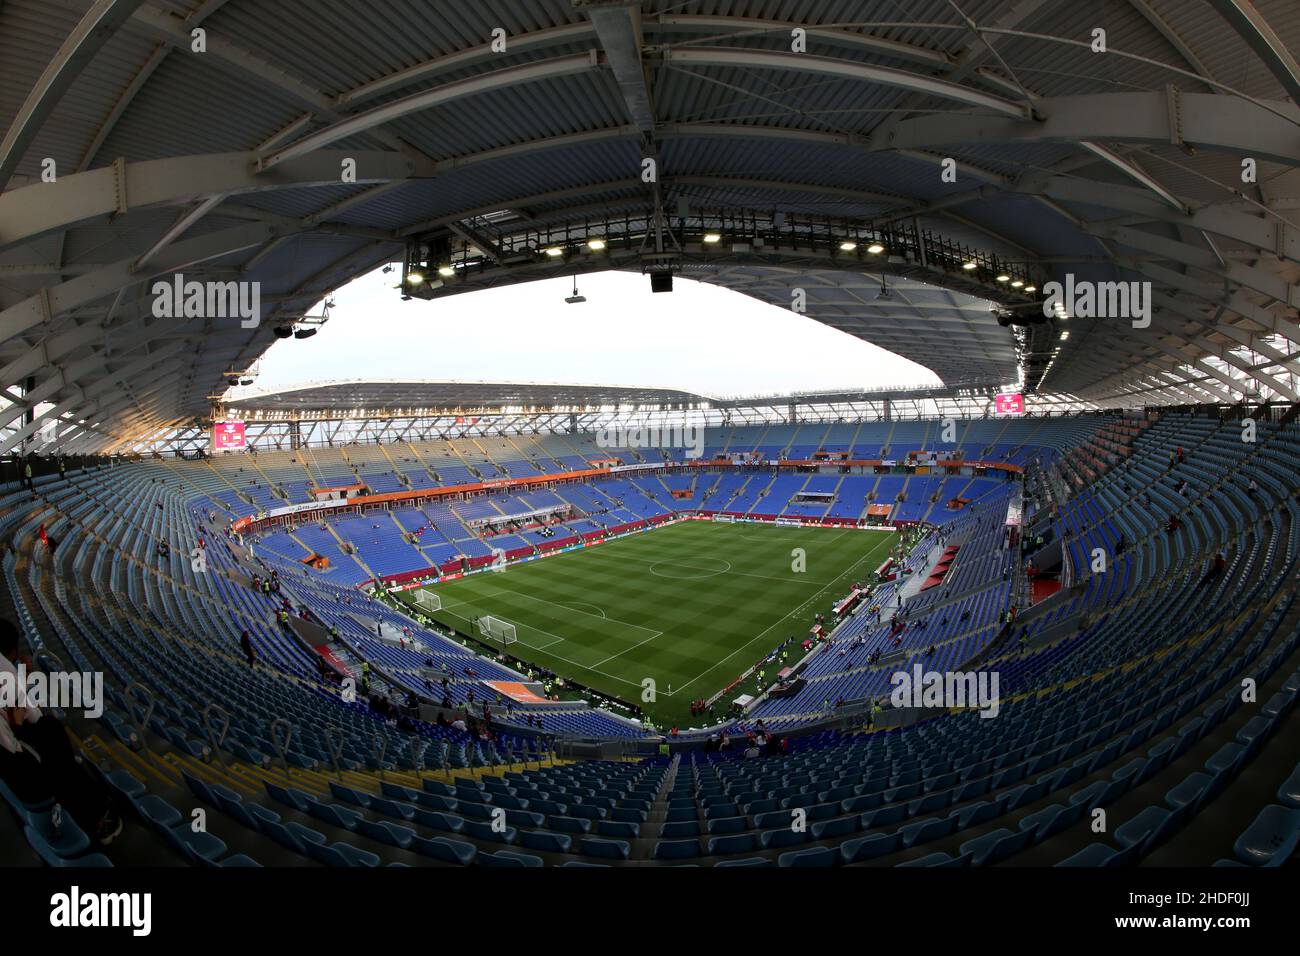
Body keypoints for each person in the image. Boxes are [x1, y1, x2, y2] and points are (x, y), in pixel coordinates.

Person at [0, 618, 123, 844]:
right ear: (12, 651)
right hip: (22, 765)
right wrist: (24, 680)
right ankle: (98, 818)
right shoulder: (5, 671)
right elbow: (25, 718)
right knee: (51, 730)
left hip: (12, 763)